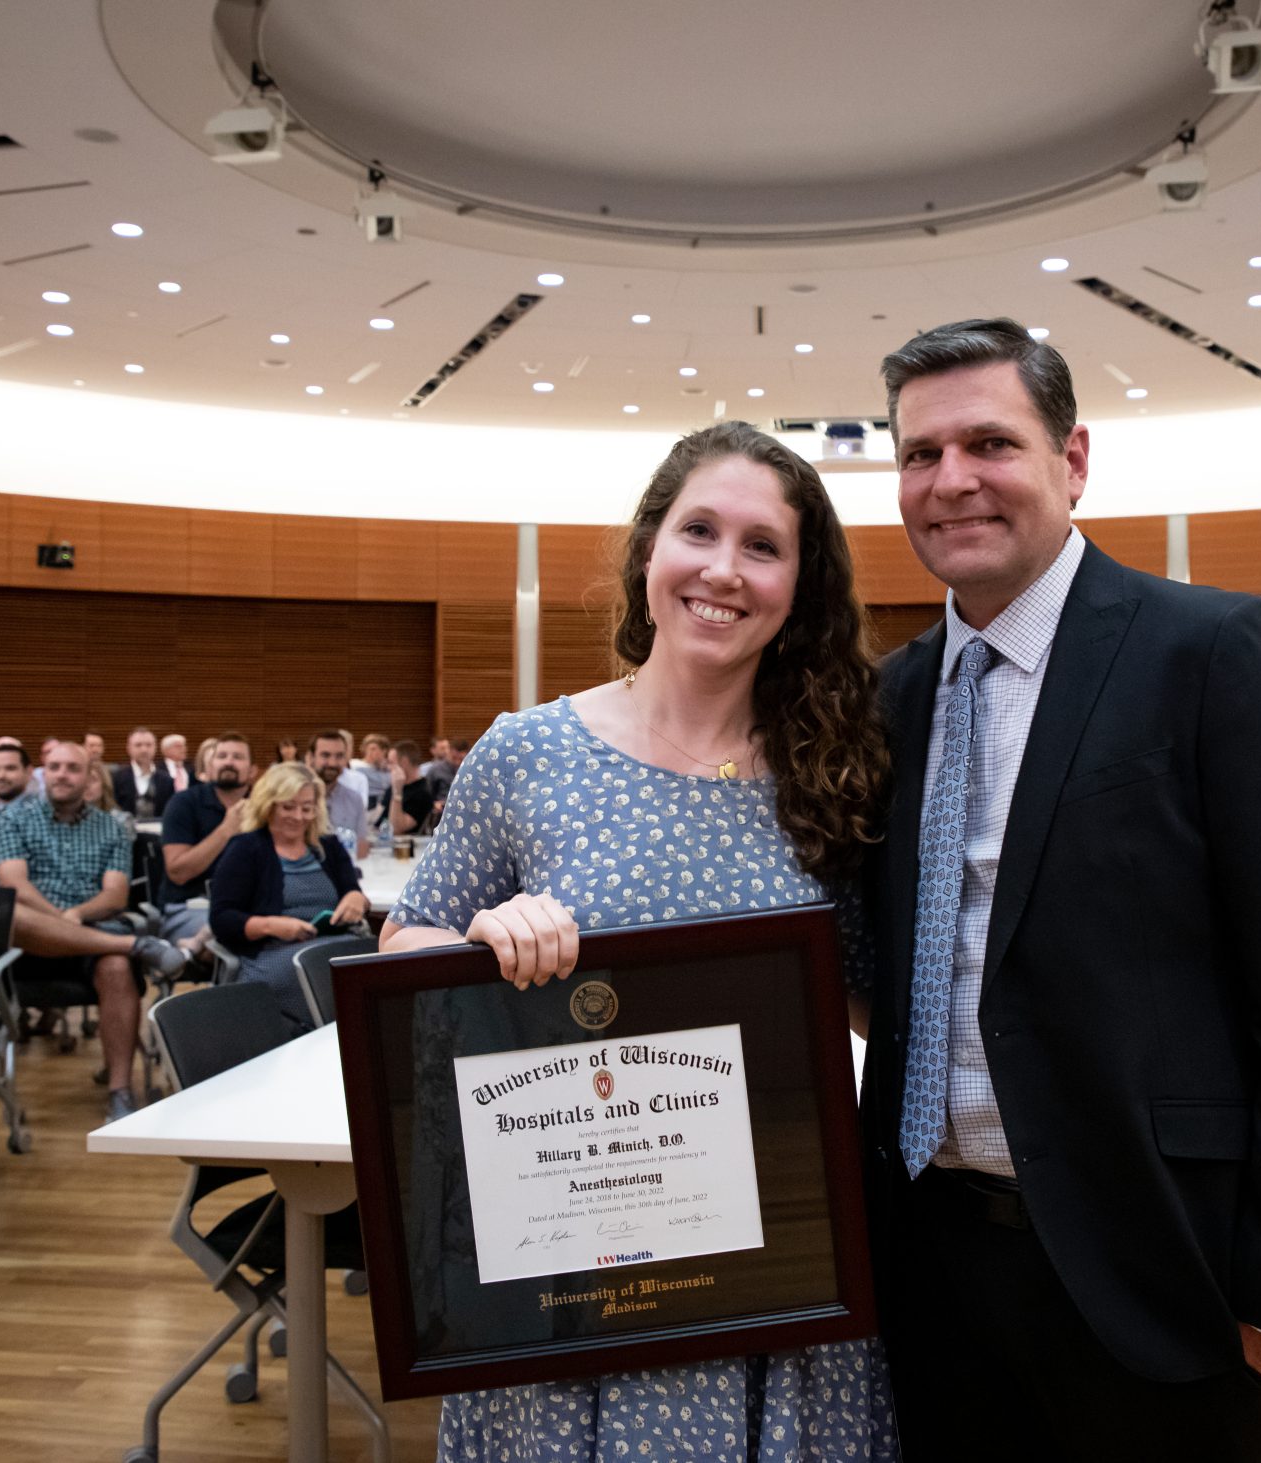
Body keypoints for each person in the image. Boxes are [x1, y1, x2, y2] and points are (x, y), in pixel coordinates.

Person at [858, 318, 1261, 1461]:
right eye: (918, 454)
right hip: (927, 1265)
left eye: (988, 442)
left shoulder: (1213, 649)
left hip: (1160, 1276)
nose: (950, 482)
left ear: (1073, 458)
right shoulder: (891, 696)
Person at [382, 420, 896, 1463]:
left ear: (801, 586)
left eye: (763, 545)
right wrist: (477, 938)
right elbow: (405, 943)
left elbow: (867, 1004)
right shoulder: (525, 751)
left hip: (770, 1263)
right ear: (648, 550)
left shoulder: (835, 774)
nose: (723, 568)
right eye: (698, 529)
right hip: (572, 1264)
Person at [0, 739, 185, 1120]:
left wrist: (75, 917)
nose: (62, 775)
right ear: (44, 773)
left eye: (72, 768)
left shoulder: (111, 828)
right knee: (12, 915)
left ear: (88, 776)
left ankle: (120, 1091)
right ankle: (135, 944)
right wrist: (56, 920)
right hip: (29, 946)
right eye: (56, 767)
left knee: (114, 968)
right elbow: (14, 884)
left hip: (94, 936)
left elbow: (114, 895)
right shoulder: (12, 819)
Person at [207, 764, 368, 1031]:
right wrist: (271, 925)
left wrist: (355, 897)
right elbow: (222, 919)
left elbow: (352, 889)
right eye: (288, 807)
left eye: (307, 808)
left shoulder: (327, 845)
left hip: (333, 946)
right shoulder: (246, 849)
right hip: (274, 952)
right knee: (322, 976)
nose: (298, 816)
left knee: (375, 963)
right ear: (269, 805)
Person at [157, 731, 255, 944]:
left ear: (252, 771)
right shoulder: (183, 803)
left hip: (251, 906)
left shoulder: (263, 807)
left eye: (238, 757)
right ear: (210, 766)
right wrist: (226, 830)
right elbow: (178, 872)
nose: (229, 762)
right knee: (234, 935)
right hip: (191, 907)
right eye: (222, 756)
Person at [305, 728, 371, 857]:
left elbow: (361, 849)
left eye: (339, 756)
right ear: (311, 758)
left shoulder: (354, 800)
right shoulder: (294, 799)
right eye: (325, 755)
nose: (333, 763)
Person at [112, 726, 175, 820]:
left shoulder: (166, 780)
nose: (144, 750)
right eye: (138, 745)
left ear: (155, 748)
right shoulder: (117, 778)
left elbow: (170, 812)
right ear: (128, 748)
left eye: (148, 745)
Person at [386, 738, 436, 835]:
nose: (388, 768)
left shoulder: (422, 793)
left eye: (391, 763)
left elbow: (396, 829)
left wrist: (397, 793)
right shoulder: (392, 788)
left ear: (404, 762)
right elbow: (375, 818)